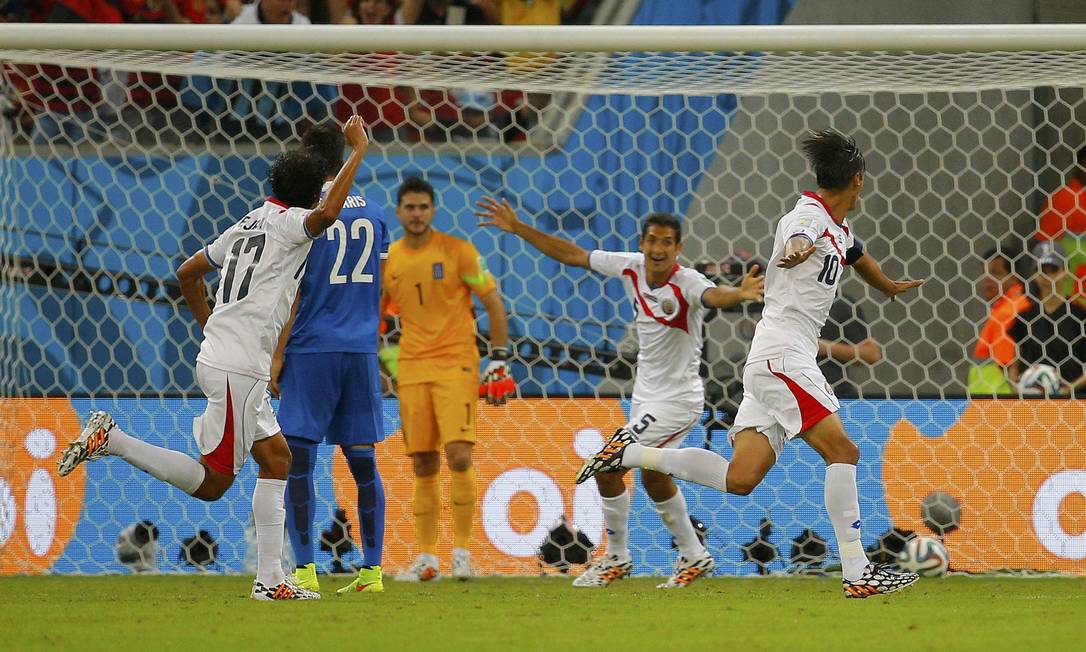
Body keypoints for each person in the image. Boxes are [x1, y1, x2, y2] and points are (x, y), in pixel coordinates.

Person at [574, 129, 926, 599]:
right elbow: (801, 235)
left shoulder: (840, 230)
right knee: (843, 452)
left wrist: (887, 286)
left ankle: (630, 453)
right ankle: (858, 571)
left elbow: (856, 256)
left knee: (740, 479)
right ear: (858, 180)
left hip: (772, 359)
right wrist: (798, 247)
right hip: (785, 355)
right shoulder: (807, 216)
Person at [57, 115, 372, 601]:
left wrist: (212, 328)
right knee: (212, 485)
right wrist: (358, 152)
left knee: (277, 459)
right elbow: (327, 217)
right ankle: (113, 439)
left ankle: (271, 581)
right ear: (310, 195)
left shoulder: (246, 222)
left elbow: (187, 273)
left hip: (226, 358)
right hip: (239, 367)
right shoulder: (293, 225)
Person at [475, 200, 765, 589]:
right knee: (654, 480)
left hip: (678, 399)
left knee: (608, 464)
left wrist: (741, 294)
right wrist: (518, 228)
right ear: (641, 243)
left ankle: (616, 556)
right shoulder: (630, 266)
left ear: (678, 248)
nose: (658, 249)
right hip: (646, 396)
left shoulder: (687, 282)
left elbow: (715, 297)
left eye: (666, 242)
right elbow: (574, 254)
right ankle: (694, 555)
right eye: (651, 241)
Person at [269, 123, 390, 595]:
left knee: (299, 464)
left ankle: (303, 572)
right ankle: (373, 571)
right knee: (363, 464)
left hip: (312, 348)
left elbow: (295, 291)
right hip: (359, 350)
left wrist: (277, 356)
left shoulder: (305, 214)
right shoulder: (376, 214)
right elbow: (377, 288)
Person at [384, 176, 513, 581]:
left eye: (424, 207)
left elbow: (492, 303)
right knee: (422, 461)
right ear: (399, 211)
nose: (417, 214)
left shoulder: (459, 252)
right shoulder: (391, 262)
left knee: (458, 454)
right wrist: (377, 365)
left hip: (457, 362)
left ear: (433, 210)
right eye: (410, 207)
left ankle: (462, 553)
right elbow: (375, 317)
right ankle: (426, 558)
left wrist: (498, 359)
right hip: (412, 368)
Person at [1009, 242, 1086, 394]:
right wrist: (1016, 389)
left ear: (1065, 271)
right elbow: (1014, 364)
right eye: (1042, 270)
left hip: (1075, 404)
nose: (1048, 276)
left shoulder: (1081, 316)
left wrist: (1066, 391)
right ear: (1034, 274)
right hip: (1032, 405)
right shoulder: (1024, 317)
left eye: (1054, 270)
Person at [968, 243, 1029, 394]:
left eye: (995, 273)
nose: (987, 279)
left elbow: (1008, 365)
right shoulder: (1014, 305)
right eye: (985, 273)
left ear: (1014, 276)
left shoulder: (1008, 312)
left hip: (998, 399)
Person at [817, 296, 882, 398]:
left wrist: (826, 348)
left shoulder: (841, 305)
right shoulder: (788, 302)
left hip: (836, 393)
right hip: (791, 388)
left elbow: (872, 353)